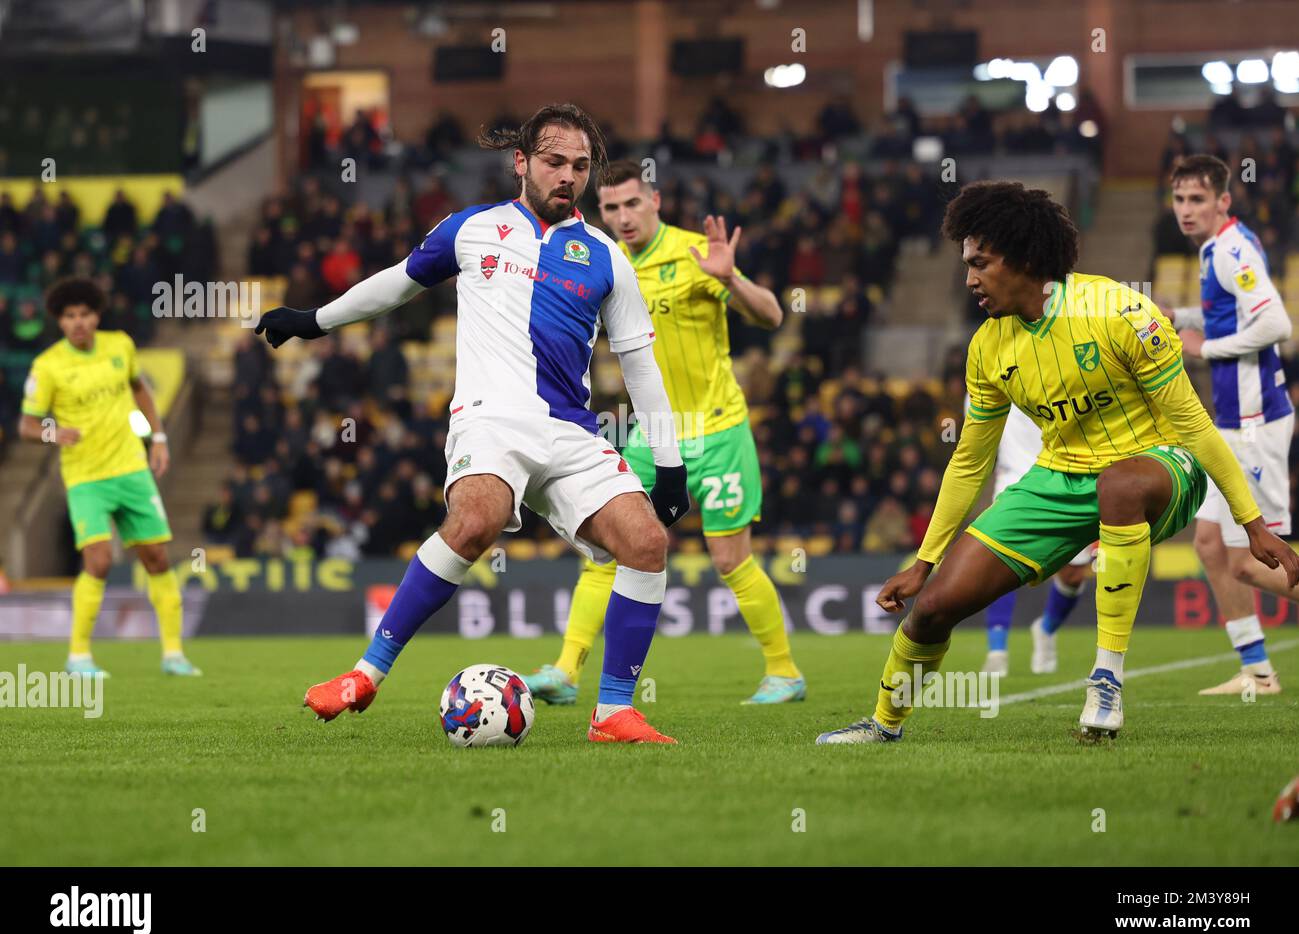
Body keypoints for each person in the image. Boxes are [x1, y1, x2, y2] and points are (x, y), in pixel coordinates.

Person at [254, 103, 690, 744]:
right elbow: (397, 285)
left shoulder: (605, 258)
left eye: (579, 166)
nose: (567, 177)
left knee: (647, 542)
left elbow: (642, 366)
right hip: (490, 419)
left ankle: (613, 711)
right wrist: (314, 320)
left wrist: (671, 465)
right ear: (521, 163)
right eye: (553, 163)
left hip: (571, 432)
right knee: (477, 519)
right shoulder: (472, 229)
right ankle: (366, 674)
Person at [815, 181, 1298, 745]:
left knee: (1118, 485)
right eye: (967, 264)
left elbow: (1193, 424)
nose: (969, 278)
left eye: (981, 263)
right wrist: (924, 562)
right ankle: (883, 723)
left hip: (1161, 465)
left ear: (1022, 258)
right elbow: (970, 463)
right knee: (934, 608)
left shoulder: (1119, 311)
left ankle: (1106, 679)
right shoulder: (987, 347)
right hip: (1059, 476)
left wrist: (1252, 523)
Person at [524, 158, 796, 707]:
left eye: (632, 204)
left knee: (729, 559)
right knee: (607, 548)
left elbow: (771, 316)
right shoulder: (602, 259)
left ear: (655, 202)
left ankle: (784, 672)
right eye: (610, 208)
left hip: (717, 429)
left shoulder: (697, 253)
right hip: (647, 435)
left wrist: (730, 279)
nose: (622, 217)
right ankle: (566, 670)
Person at [18, 278, 199, 677]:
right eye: (70, 316)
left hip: (132, 470)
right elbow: (27, 426)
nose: (79, 322)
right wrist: (53, 432)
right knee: (98, 560)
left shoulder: (120, 345)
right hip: (85, 477)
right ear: (60, 321)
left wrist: (160, 438)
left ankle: (173, 654)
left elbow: (141, 390)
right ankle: (79, 655)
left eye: (85, 314)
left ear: (96, 315)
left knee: (156, 558)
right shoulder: (48, 365)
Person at [1164, 154, 1294, 696]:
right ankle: (1258, 671)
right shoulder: (1219, 248)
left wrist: (1205, 347)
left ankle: (1259, 670)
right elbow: (1233, 313)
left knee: (1245, 561)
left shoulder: (1233, 249)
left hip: (1254, 421)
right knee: (1212, 545)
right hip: (1233, 421)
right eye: (1179, 199)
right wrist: (1186, 319)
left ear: (1223, 200)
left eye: (1198, 200)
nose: (1187, 210)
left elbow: (1276, 322)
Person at [978, 401, 1092, 677]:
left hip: (1066, 473)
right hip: (1015, 478)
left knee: (1074, 574)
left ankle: (1046, 629)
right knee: (998, 563)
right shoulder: (986, 376)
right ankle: (997, 651)